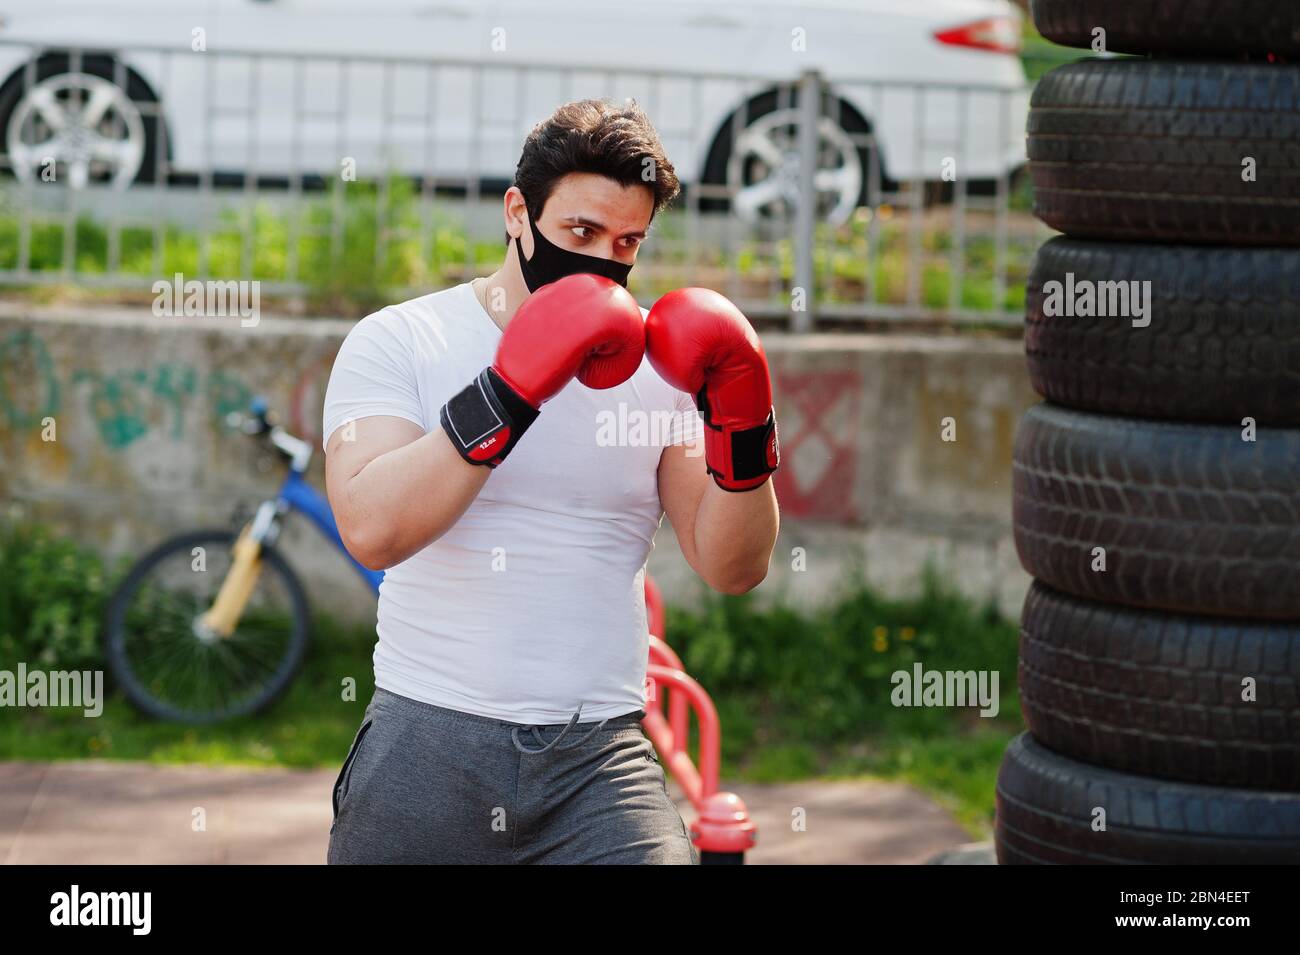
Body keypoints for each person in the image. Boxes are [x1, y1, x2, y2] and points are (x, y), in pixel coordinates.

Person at [321, 98, 780, 864]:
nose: (604, 257)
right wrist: (511, 388)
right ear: (517, 214)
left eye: (627, 241)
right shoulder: (402, 339)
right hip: (427, 741)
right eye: (581, 232)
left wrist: (744, 422)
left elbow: (734, 566)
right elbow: (372, 529)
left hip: (599, 761)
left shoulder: (660, 368)